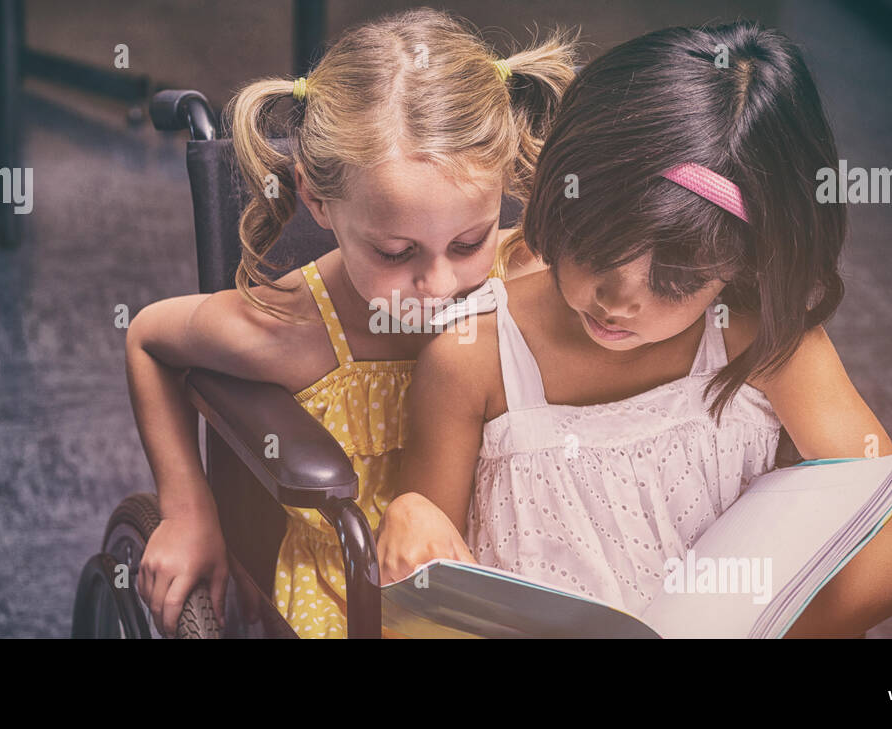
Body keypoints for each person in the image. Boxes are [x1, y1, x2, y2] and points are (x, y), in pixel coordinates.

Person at [378, 21, 892, 637]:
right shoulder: (473, 356)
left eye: (674, 281)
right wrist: (408, 514)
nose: (618, 302)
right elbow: (425, 598)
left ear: (742, 262)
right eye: (597, 250)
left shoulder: (764, 341)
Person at [126, 7, 577, 637]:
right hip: (352, 594)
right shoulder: (290, 327)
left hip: (508, 573)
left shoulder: (530, 272)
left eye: (469, 242)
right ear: (316, 199)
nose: (439, 285)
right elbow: (148, 338)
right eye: (396, 253)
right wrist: (188, 511)